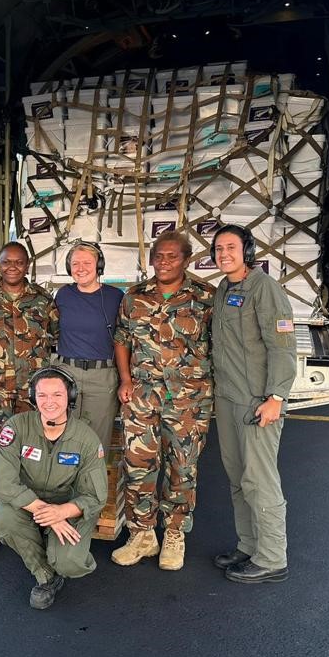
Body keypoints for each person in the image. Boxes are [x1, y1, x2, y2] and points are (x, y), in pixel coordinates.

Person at [110, 230, 215, 572]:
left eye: (172, 256)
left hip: (189, 398)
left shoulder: (205, 298)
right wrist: (125, 380)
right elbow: (122, 339)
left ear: (187, 260)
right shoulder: (134, 296)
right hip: (142, 394)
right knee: (138, 464)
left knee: (182, 467)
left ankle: (173, 533)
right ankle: (142, 535)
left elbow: (221, 347)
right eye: (158, 256)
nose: (164, 262)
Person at [210, 224, 296, 583]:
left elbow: (283, 345)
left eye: (231, 247)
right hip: (229, 399)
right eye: (218, 248)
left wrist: (276, 397)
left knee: (260, 479)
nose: (224, 253)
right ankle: (248, 545)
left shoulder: (265, 288)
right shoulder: (224, 289)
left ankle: (272, 557)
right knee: (237, 477)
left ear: (247, 250)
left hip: (258, 400)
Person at [0, 242, 59, 555]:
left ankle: (27, 523)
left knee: (33, 460)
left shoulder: (44, 301)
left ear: (27, 264)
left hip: (33, 399)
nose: (13, 267)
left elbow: (56, 347)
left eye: (19, 262)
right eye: (7, 262)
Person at [0, 367, 107, 610]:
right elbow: (1, 484)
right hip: (28, 502)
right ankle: (46, 577)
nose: (49, 402)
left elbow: (95, 496)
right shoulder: (17, 428)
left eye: (57, 395)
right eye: (42, 395)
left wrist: (63, 512)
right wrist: (47, 515)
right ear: (33, 398)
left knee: (69, 564)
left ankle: (55, 555)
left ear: (70, 397)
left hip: (67, 507)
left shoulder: (86, 439)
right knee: (3, 518)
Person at [52, 241, 124, 450]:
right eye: (75, 264)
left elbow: (124, 339)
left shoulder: (115, 297)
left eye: (87, 263)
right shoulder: (63, 295)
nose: (80, 268)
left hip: (101, 377)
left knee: (96, 442)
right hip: (67, 373)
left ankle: (92, 483)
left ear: (99, 265)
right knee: (63, 437)